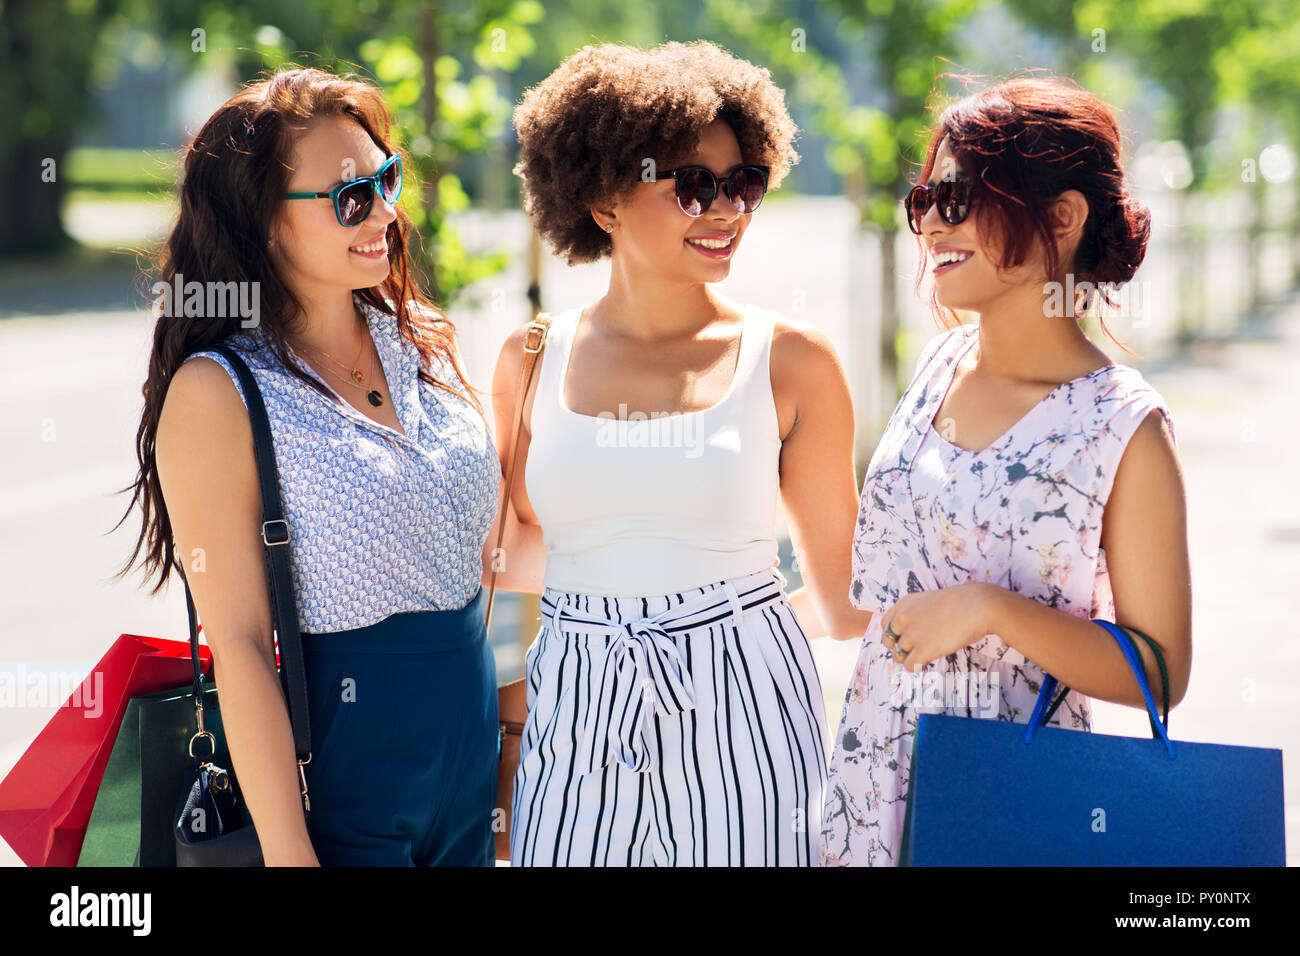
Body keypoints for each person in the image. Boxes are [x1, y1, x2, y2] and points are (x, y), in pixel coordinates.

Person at [490, 40, 873, 867]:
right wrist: (515, 718)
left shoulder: (795, 359)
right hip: (575, 706)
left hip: (748, 707)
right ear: (603, 200)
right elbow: (515, 554)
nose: (726, 210)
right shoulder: (529, 356)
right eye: (693, 184)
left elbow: (844, 601)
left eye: (743, 185)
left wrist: (734, 624)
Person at [115, 67, 502, 866]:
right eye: (349, 195)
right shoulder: (217, 391)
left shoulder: (421, 337)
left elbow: (479, 545)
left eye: (386, 178)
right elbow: (244, 644)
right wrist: (293, 856)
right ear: (260, 223)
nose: (385, 212)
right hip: (340, 791)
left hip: (471, 772)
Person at [819, 76, 1193, 866]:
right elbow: (881, 585)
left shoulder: (1123, 426)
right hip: (871, 774)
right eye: (924, 199)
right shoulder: (937, 364)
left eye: (959, 198)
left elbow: (1160, 672)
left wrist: (992, 609)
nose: (929, 225)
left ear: (1061, 216)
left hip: (1014, 794)